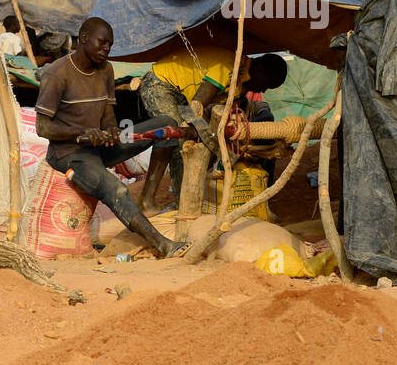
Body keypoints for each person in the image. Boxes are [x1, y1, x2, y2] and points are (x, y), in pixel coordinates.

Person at [34, 18, 184, 258]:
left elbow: (107, 114)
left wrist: (112, 130)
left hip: (100, 146)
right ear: (84, 39)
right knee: (117, 189)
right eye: (102, 42)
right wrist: (80, 133)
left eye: (110, 45)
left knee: (167, 125)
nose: (107, 49)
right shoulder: (57, 73)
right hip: (70, 154)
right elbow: (42, 127)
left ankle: (147, 198)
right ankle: (162, 244)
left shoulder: (106, 69)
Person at [138, 49, 289, 209]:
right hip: (161, 83)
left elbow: (217, 112)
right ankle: (165, 203)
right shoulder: (228, 67)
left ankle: (188, 202)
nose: (262, 91)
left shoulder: (240, 81)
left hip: (182, 93)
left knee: (201, 142)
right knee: (180, 142)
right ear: (260, 71)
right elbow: (194, 110)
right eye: (266, 85)